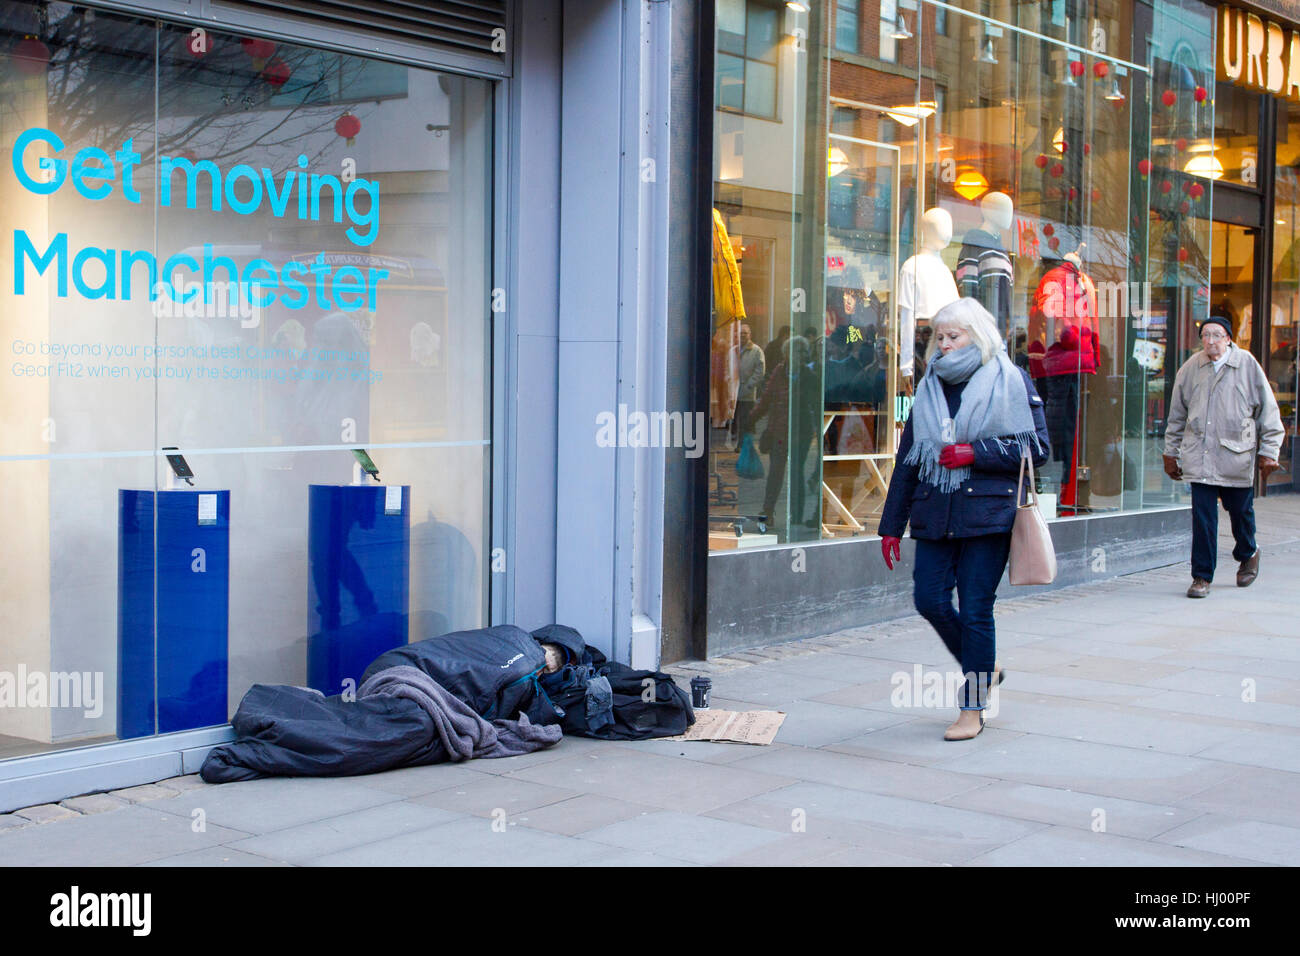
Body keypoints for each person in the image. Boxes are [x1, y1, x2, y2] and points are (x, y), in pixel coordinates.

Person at [877, 298, 1050, 740]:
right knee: (929, 599)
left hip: (988, 514)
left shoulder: (1011, 380)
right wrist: (891, 525)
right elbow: (910, 459)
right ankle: (985, 666)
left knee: (975, 610)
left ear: (978, 334)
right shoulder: (929, 386)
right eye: (939, 337)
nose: (945, 345)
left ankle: (972, 708)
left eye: (954, 336)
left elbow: (1037, 450)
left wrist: (978, 452)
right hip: (936, 512)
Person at [1163, 315, 1284, 598]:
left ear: (1229, 338)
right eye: (1205, 335)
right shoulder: (1191, 368)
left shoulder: (1247, 365)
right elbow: (1177, 414)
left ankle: (1248, 552)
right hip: (1200, 456)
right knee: (1203, 518)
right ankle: (1201, 577)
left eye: (1217, 335)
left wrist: (1269, 452)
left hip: (1236, 455)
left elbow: (1269, 412)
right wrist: (1171, 451)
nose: (1210, 341)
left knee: (1241, 513)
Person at [732, 323, 766, 441]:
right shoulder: (734, 350)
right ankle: (734, 441)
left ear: (750, 335)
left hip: (748, 393)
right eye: (740, 333)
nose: (743, 335)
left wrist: (750, 385)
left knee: (746, 420)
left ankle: (743, 443)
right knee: (734, 420)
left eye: (745, 333)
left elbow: (760, 370)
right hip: (733, 392)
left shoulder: (757, 351)